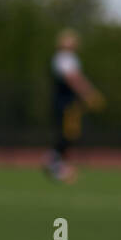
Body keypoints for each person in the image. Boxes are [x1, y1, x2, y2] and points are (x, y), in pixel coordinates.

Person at [44, 28, 103, 183]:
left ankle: (57, 163)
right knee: (66, 135)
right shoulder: (65, 58)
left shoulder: (68, 58)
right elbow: (73, 78)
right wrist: (88, 93)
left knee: (70, 135)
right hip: (65, 103)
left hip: (69, 103)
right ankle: (55, 164)